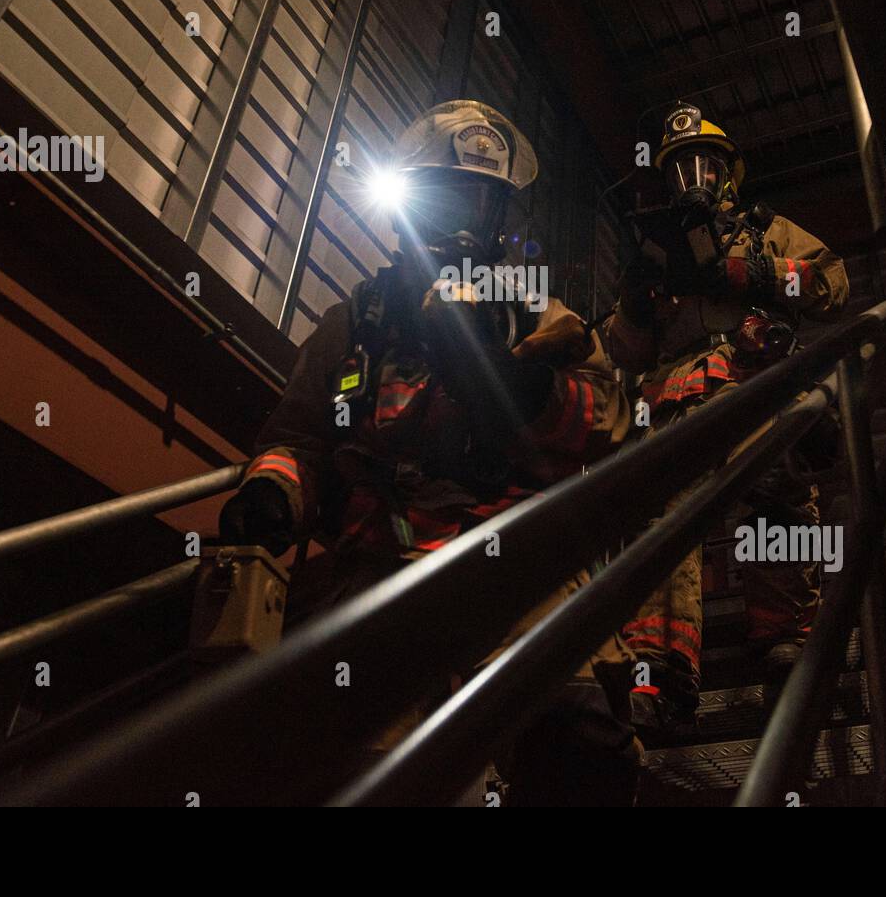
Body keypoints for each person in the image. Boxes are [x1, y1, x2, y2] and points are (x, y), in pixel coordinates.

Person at [218, 100, 640, 804]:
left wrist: (517, 387)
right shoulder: (357, 321)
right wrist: (273, 493)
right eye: (448, 200)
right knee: (358, 774)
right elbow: (298, 438)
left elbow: (609, 422)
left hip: (515, 566)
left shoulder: (536, 314)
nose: (468, 221)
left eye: (484, 202)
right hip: (379, 573)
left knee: (579, 751)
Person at [602, 103, 848, 733]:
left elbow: (831, 287)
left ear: (727, 173)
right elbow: (620, 352)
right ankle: (660, 673)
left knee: (783, 507)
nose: (694, 176)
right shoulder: (655, 254)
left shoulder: (768, 232)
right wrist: (632, 305)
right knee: (662, 528)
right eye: (681, 166)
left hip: (759, 388)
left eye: (703, 164)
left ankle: (785, 652)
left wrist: (755, 271)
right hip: (677, 404)